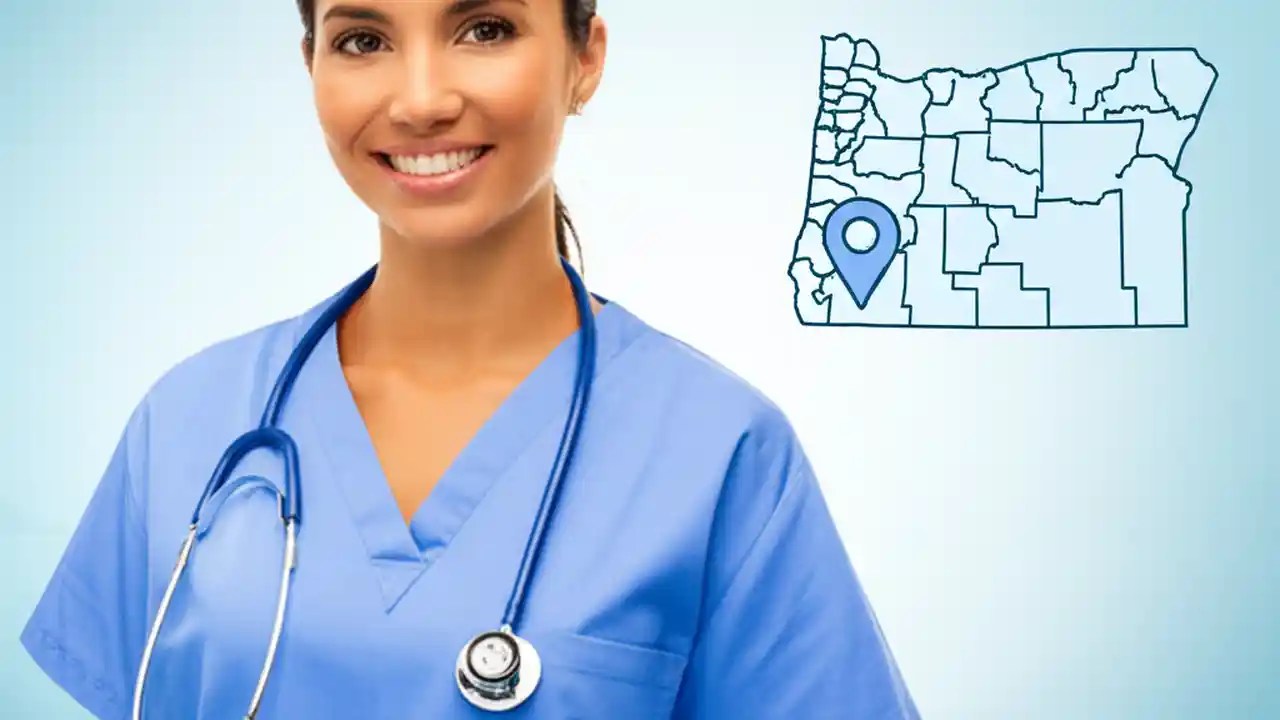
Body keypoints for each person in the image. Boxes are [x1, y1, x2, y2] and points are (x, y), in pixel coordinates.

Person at [19, 1, 919, 717]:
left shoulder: (719, 451)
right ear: (312, 69)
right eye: (363, 38)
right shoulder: (192, 421)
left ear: (586, 58)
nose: (418, 98)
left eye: (483, 28)